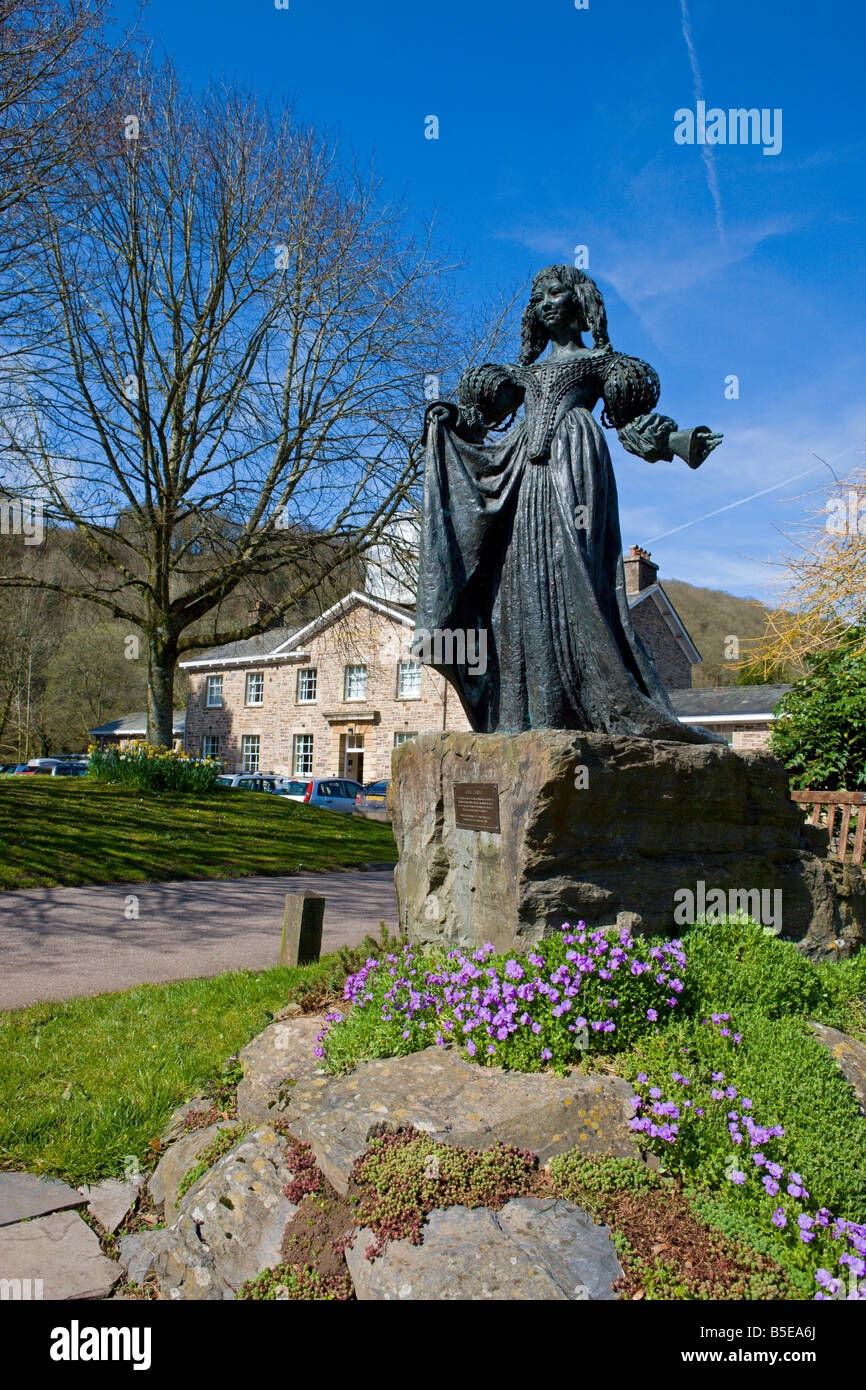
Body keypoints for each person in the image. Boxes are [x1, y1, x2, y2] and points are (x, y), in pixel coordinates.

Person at [413, 263, 723, 740]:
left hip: (575, 464)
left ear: (580, 302)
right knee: (518, 585)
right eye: (539, 297)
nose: (546, 303)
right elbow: (479, 418)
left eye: (556, 293)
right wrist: (450, 420)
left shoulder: (602, 364)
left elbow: (632, 426)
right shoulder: (517, 374)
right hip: (523, 473)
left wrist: (678, 442)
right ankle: (529, 712)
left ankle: (582, 703)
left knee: (573, 575)